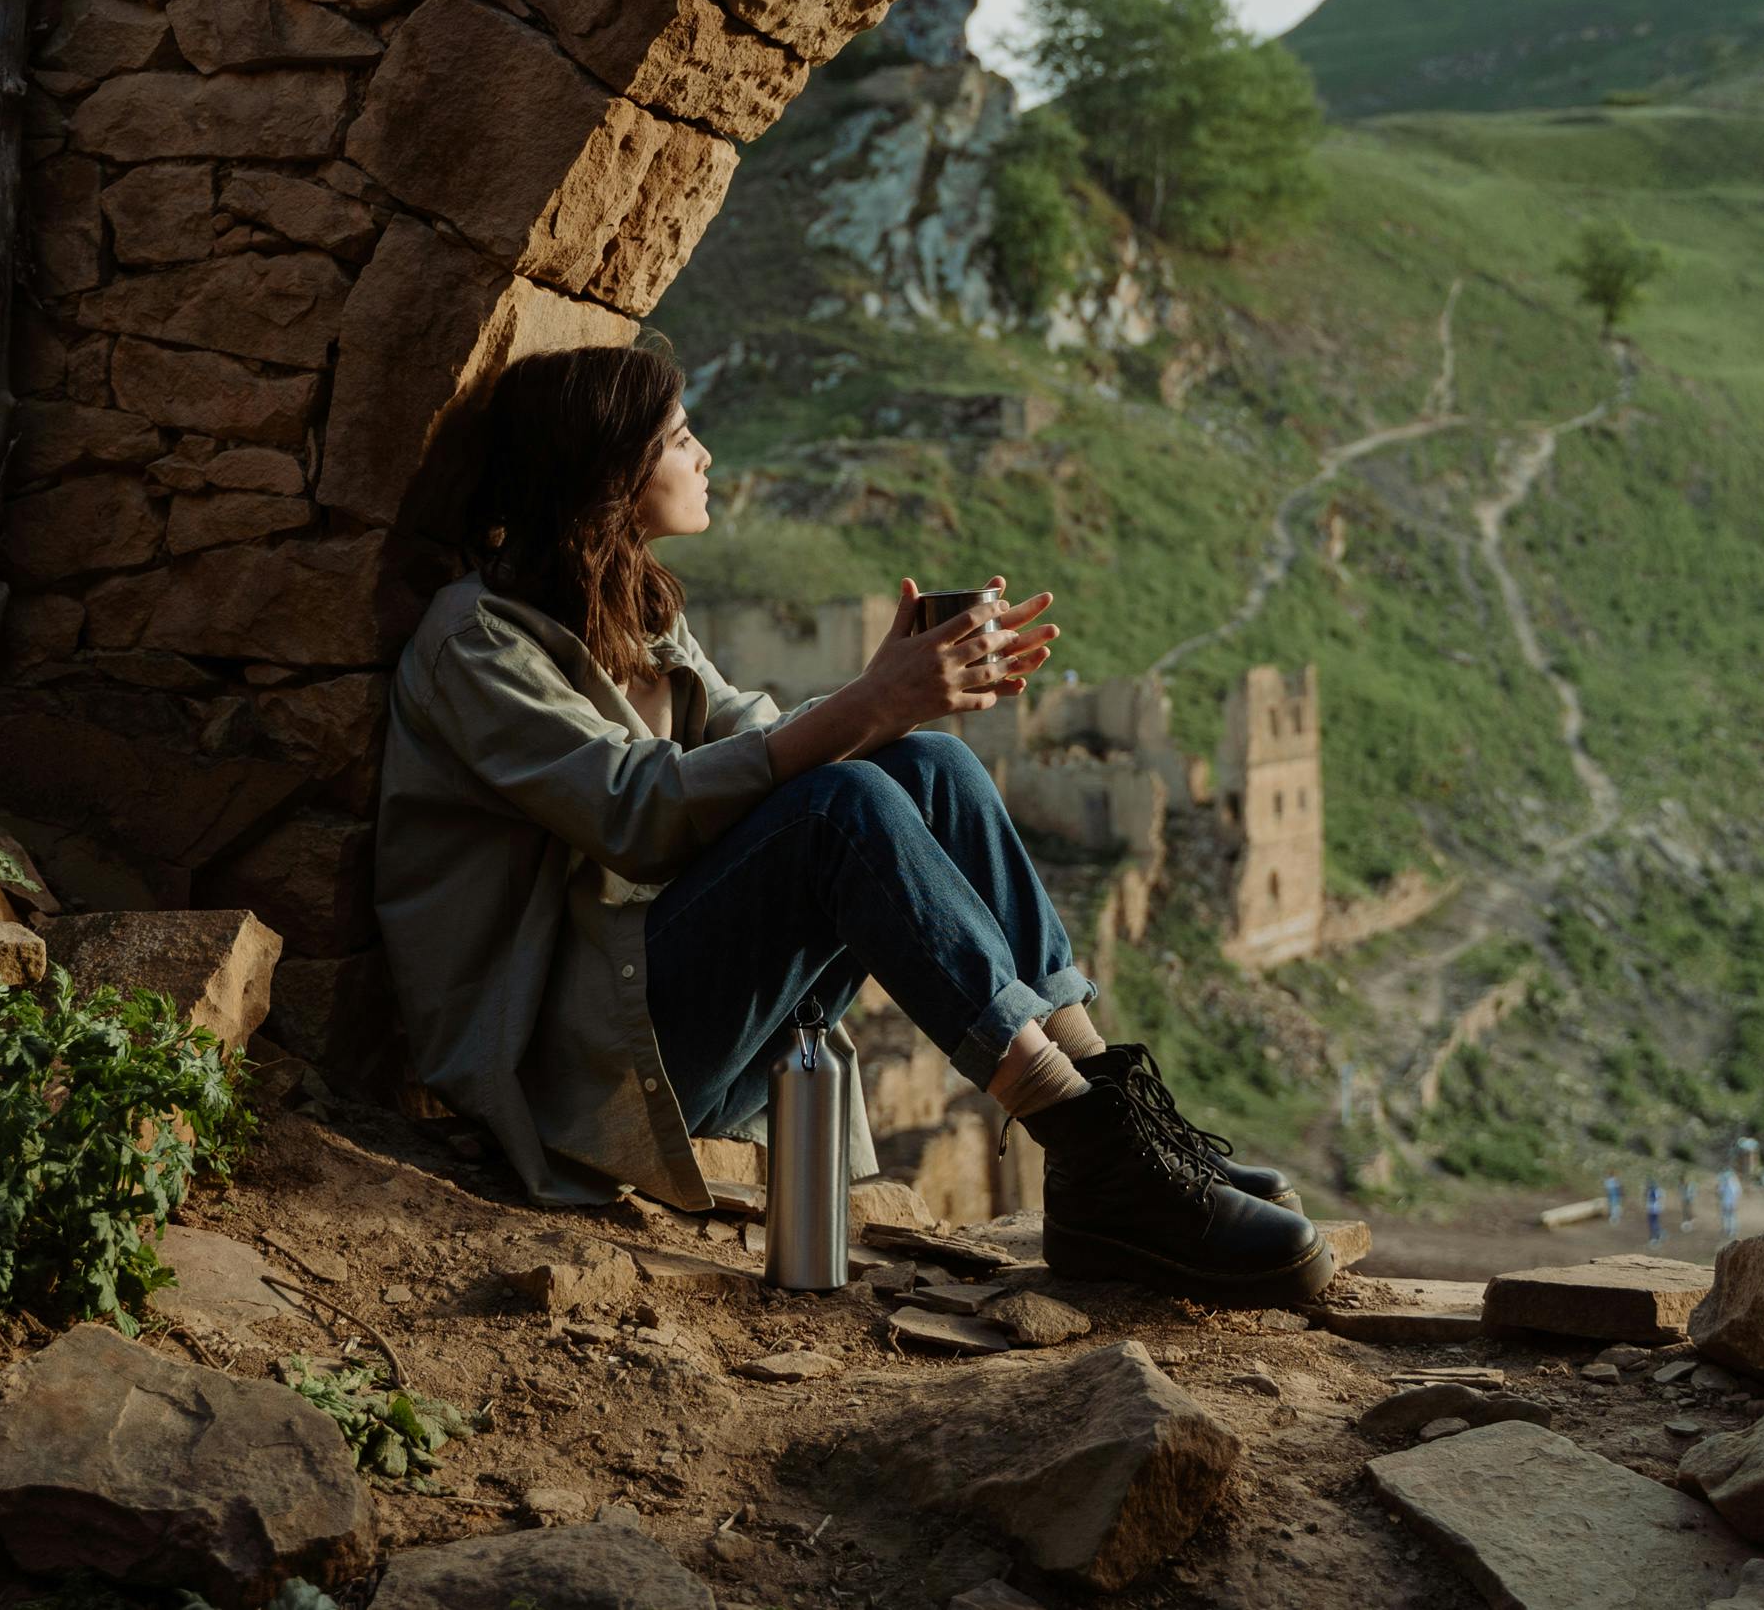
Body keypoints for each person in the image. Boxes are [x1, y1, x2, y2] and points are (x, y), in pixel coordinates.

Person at [372, 344, 1332, 1302]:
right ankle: (1087, 1149)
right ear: (611, 474)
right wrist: (870, 701)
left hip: (656, 1012)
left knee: (933, 766)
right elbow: (637, 811)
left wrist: (891, 699)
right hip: (571, 1061)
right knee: (840, 808)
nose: (705, 455)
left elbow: (754, 737)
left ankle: (1114, 1129)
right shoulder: (477, 642)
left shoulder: (628, 607)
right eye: (680, 437)